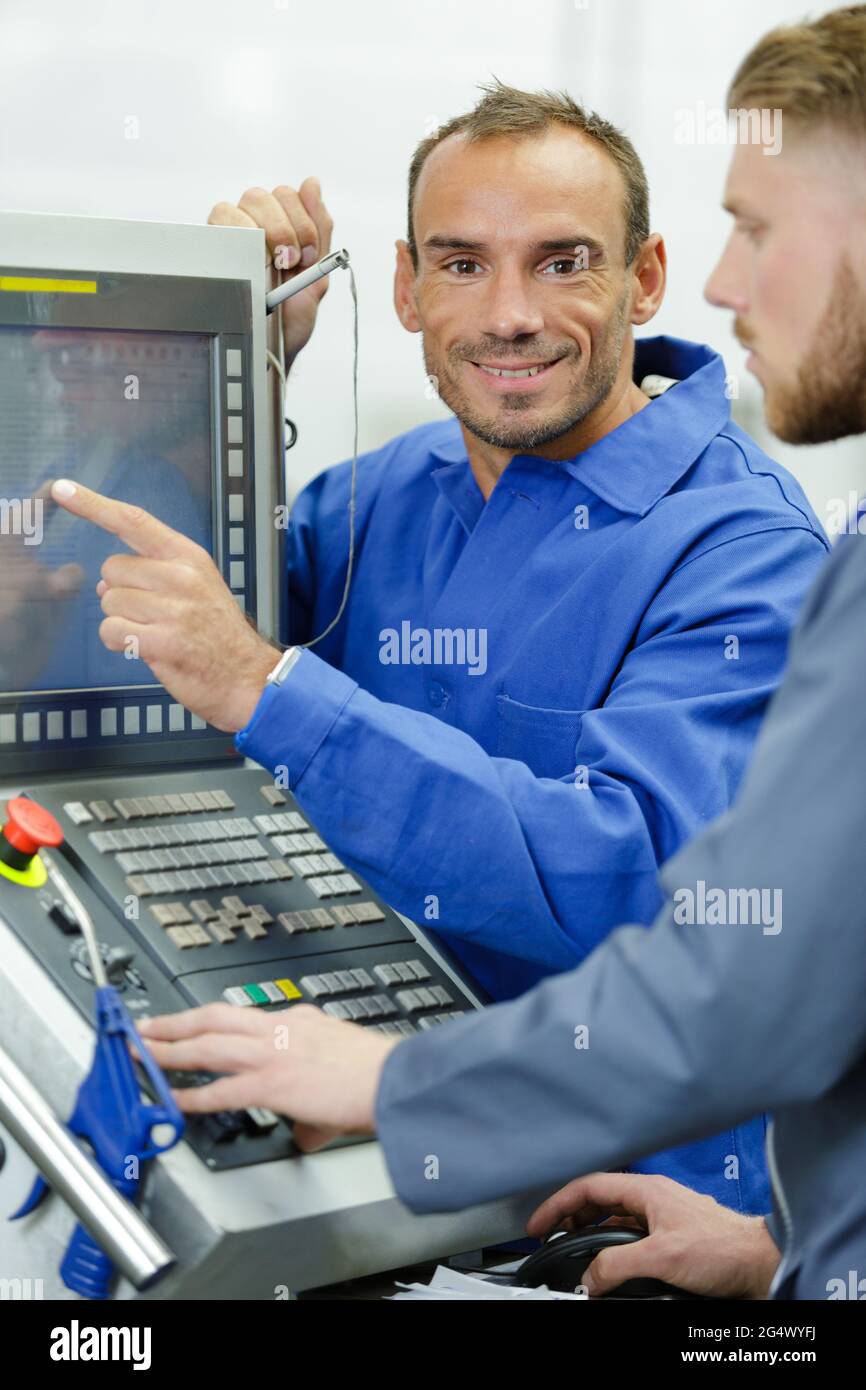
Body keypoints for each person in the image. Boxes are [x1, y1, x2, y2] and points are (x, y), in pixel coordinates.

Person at [125, 5, 866, 1300]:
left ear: (641, 280)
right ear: (406, 288)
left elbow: (652, 893)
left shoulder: (746, 550)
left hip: (595, 1229)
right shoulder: (370, 502)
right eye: (461, 265)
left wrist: (275, 691)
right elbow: (129, 638)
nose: (508, 314)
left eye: (562, 261)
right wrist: (227, 369)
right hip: (346, 1168)